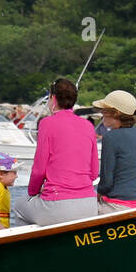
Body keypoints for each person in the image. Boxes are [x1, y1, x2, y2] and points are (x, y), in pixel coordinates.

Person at [15, 78, 99, 226]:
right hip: (89, 204)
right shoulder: (87, 125)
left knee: (19, 206)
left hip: (59, 204)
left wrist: (33, 192)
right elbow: (93, 172)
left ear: (53, 99)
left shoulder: (47, 123)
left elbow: (39, 170)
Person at [92, 90, 136, 214]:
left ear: (116, 113)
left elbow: (106, 182)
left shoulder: (110, 137)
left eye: (104, 111)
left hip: (118, 206)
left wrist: (98, 194)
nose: (102, 114)